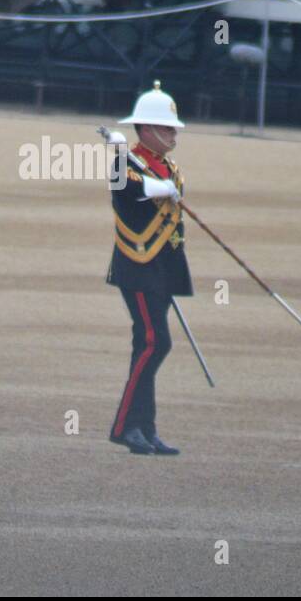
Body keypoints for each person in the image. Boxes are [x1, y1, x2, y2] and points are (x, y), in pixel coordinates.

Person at [105, 80, 191, 456]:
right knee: (156, 342)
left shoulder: (166, 166)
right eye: (167, 127)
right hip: (137, 265)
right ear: (146, 130)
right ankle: (125, 426)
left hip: (163, 266)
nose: (174, 134)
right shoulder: (126, 161)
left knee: (147, 344)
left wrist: (169, 189)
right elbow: (127, 187)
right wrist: (162, 189)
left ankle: (145, 428)